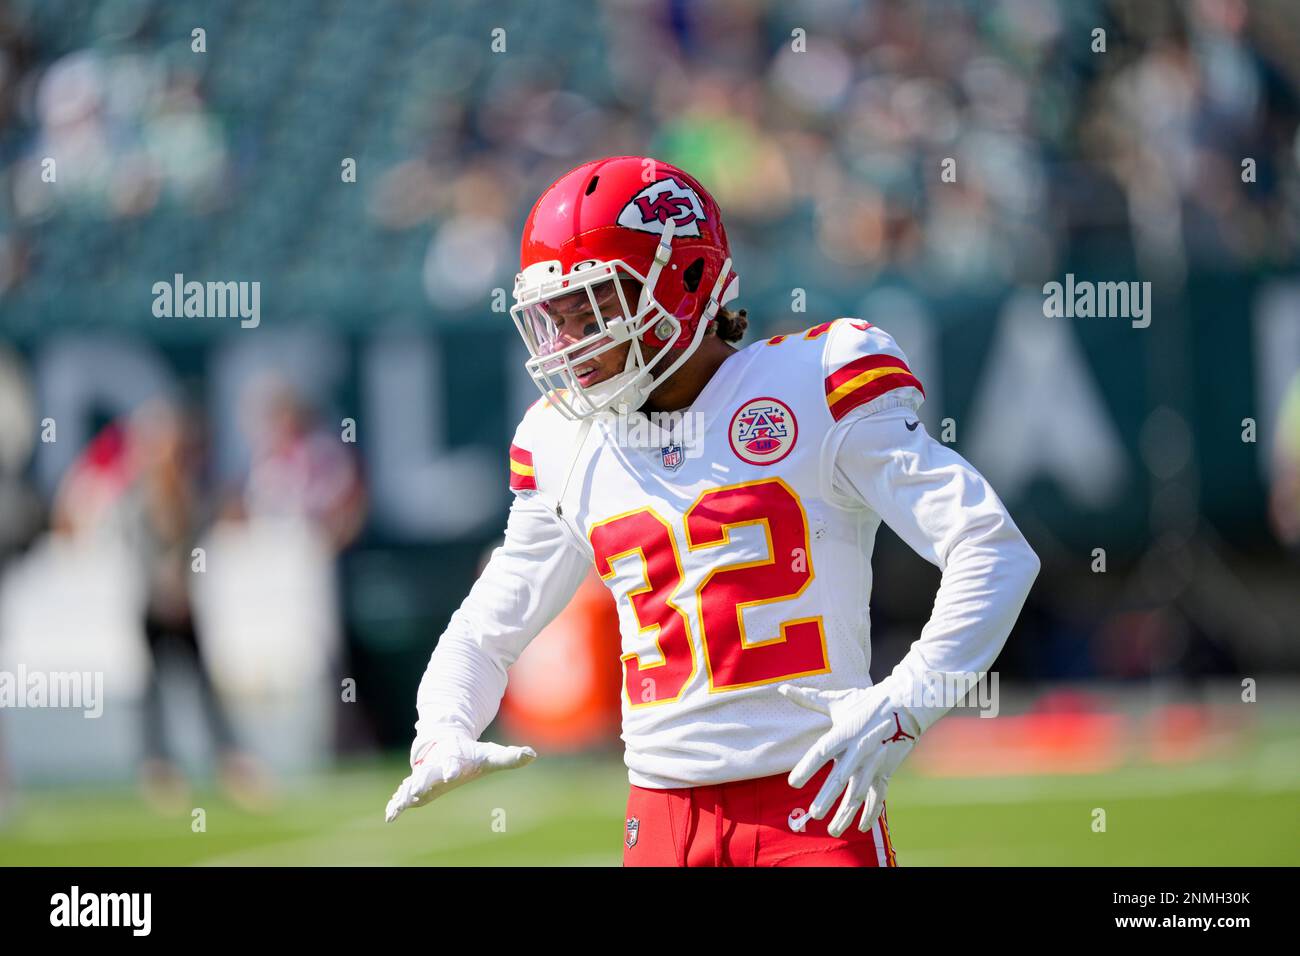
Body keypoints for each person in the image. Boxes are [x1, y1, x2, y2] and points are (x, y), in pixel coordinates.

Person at [385, 156, 1039, 867]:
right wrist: (443, 723)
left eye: (597, 309)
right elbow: (487, 628)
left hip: (810, 803)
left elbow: (992, 548)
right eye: (558, 319)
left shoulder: (816, 381)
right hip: (660, 819)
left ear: (686, 282)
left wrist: (908, 700)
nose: (573, 346)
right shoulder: (562, 441)